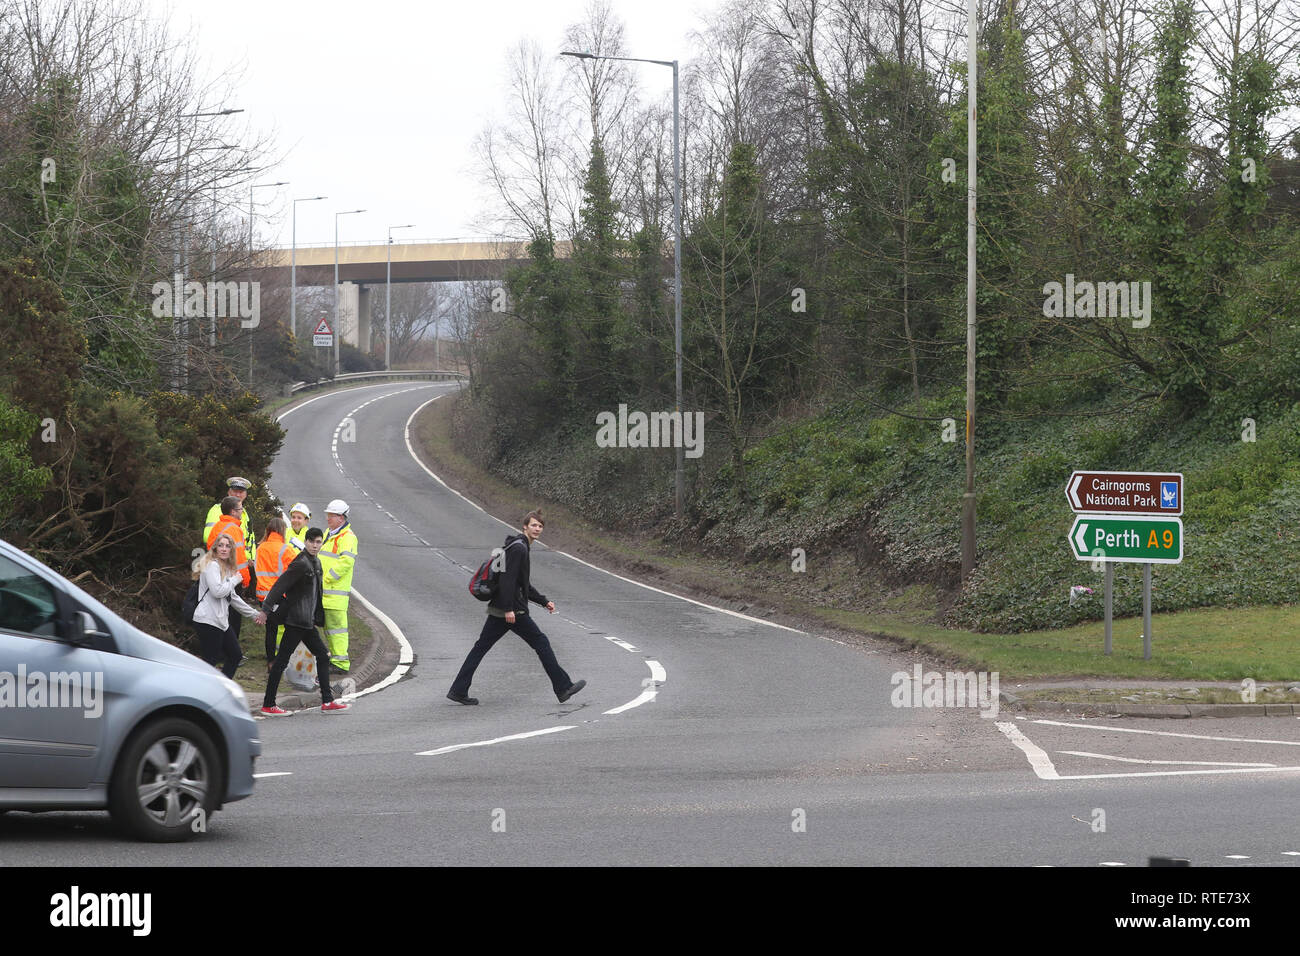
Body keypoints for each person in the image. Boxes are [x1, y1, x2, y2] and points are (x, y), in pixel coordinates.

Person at [448, 510, 585, 706]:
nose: (537, 529)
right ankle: (563, 687)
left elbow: (523, 584)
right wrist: (509, 609)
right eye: (534, 525)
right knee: (541, 643)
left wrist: (543, 601)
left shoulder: (520, 546)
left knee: (480, 648)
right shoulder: (520, 549)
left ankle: (458, 690)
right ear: (525, 526)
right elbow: (507, 581)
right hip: (512, 611)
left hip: (502, 609)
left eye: (540, 526)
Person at [260, 527, 351, 715]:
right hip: (296, 621)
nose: (315, 545)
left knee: (323, 656)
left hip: (306, 622)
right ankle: (269, 704)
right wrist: (266, 610)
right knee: (281, 662)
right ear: (306, 542)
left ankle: (327, 701)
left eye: (318, 542)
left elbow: (316, 593)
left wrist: (317, 616)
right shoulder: (301, 563)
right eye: (312, 542)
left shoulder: (316, 563)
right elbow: (280, 585)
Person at [192, 532, 266, 678]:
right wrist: (236, 579)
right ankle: (202, 694)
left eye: (227, 546)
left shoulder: (226, 568)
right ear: (215, 549)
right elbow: (217, 591)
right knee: (210, 662)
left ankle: (223, 689)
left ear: (232, 550)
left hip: (221, 622)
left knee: (235, 655)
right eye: (220, 546)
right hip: (207, 620)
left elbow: (232, 597)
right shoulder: (211, 565)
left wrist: (255, 614)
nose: (224, 549)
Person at [208, 496, 252, 661]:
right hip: (232, 579)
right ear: (233, 511)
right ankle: (232, 654)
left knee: (219, 616)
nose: (242, 512)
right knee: (233, 617)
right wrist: (245, 579)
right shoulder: (234, 529)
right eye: (240, 509)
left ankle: (220, 652)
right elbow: (239, 559)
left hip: (216, 577)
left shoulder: (218, 527)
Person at [318, 499, 358, 674]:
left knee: (337, 630)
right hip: (326, 593)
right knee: (330, 631)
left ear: (341, 518)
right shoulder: (330, 533)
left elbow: (347, 561)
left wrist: (327, 578)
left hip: (335, 594)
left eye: (331, 515)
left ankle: (341, 663)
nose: (328, 518)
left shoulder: (348, 537)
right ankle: (335, 659)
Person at [254, 516, 295, 662]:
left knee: (270, 629)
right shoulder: (286, 549)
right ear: (282, 530)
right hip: (280, 596)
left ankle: (271, 661)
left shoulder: (260, 548)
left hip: (262, 596)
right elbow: (296, 572)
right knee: (290, 626)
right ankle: (284, 657)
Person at [203, 477, 256, 555]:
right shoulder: (217, 509)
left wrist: (252, 558)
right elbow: (208, 537)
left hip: (243, 562)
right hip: (226, 559)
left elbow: (250, 539)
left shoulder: (244, 513)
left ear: (245, 495)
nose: (238, 495)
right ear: (229, 492)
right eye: (235, 491)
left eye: (241, 492)